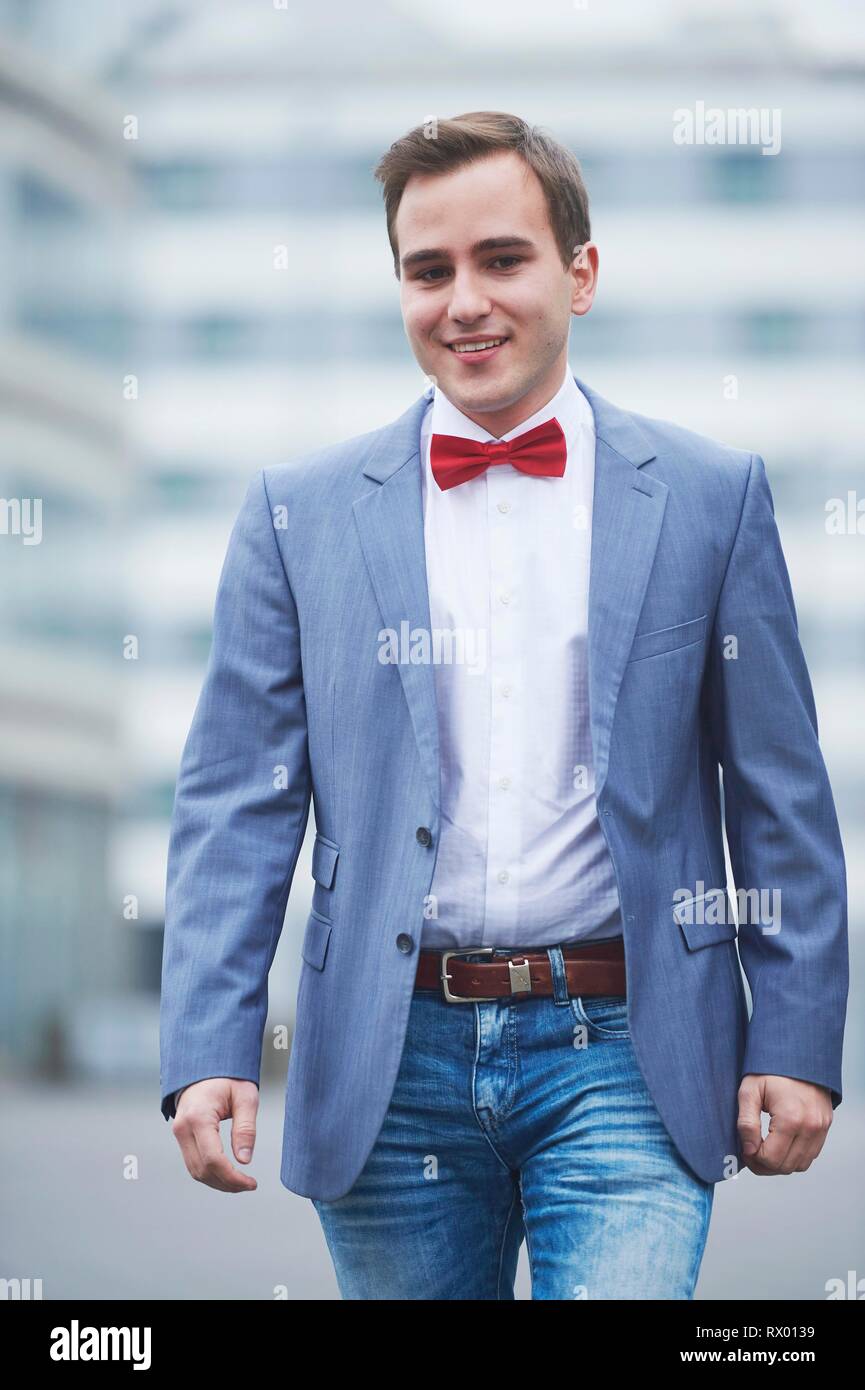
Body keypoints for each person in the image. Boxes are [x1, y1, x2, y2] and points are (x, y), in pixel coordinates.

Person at [160, 112, 849, 1299]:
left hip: (628, 1050)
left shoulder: (708, 496)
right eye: (428, 271)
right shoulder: (297, 514)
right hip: (391, 1054)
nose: (463, 300)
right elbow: (237, 803)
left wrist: (793, 1036)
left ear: (579, 273)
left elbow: (779, 792)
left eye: (501, 259)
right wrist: (209, 1043)